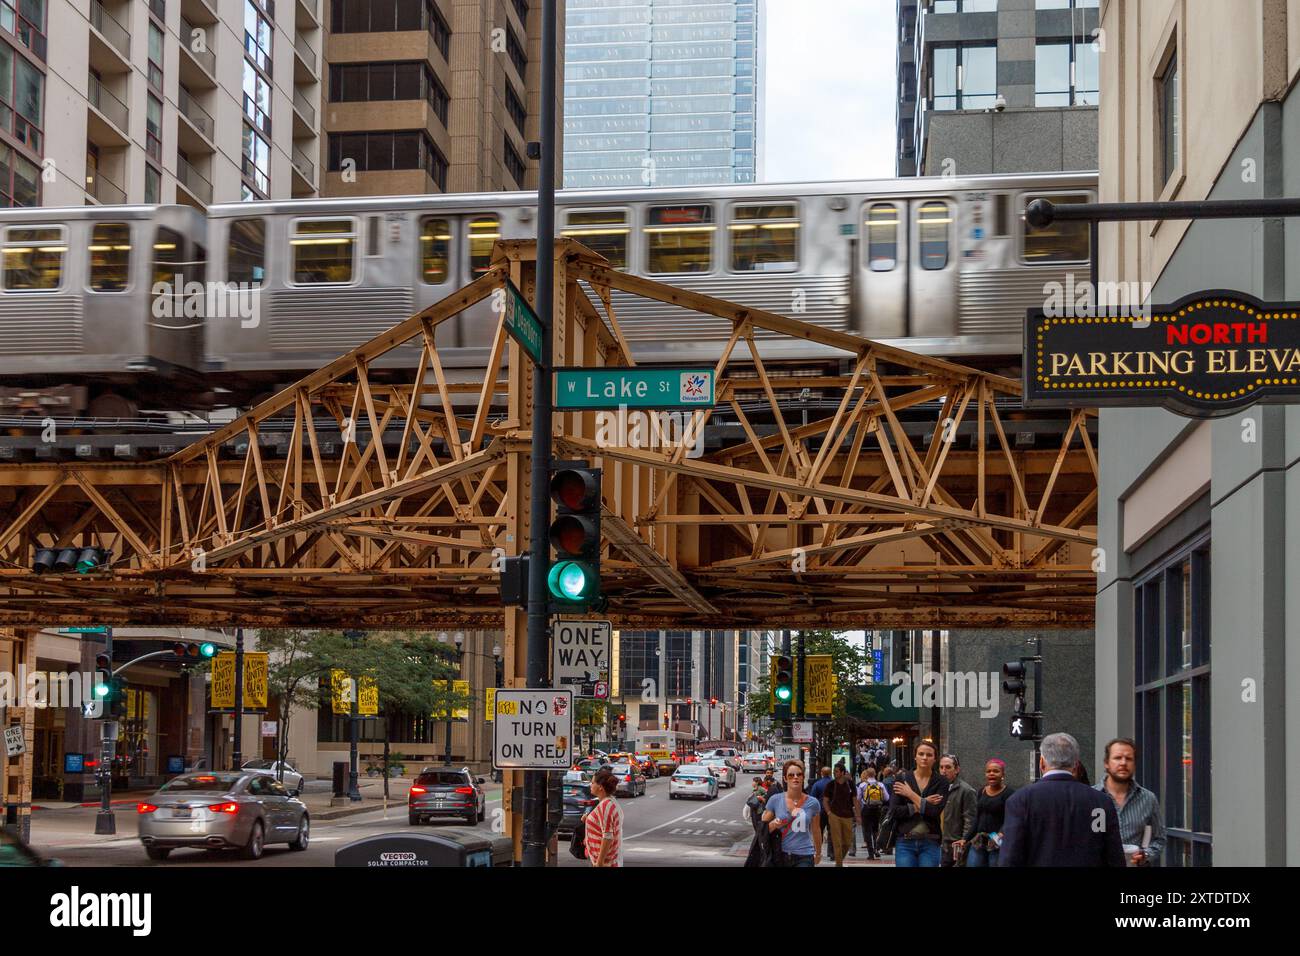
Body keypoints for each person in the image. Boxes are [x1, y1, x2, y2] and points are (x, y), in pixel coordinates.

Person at [999, 732, 1125, 867]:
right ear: (1076, 764)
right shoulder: (1101, 802)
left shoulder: (1020, 800)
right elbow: (1114, 857)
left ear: (1041, 763)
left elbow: (1010, 858)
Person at [1095, 737, 1165, 867]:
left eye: (1128, 759)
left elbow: (1159, 839)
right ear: (1106, 763)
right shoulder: (1090, 797)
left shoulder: (1148, 799)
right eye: (1117, 758)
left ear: (1134, 764)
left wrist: (1145, 855)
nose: (1123, 763)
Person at [887, 741, 948, 867]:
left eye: (929, 755)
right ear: (915, 756)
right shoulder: (902, 778)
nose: (925, 757)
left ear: (935, 758)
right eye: (921, 754)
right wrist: (922, 803)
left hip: (931, 840)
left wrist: (910, 794)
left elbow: (934, 811)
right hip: (905, 840)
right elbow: (895, 811)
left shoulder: (941, 782)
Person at [761, 759, 822, 867]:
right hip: (780, 854)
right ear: (785, 778)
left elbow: (816, 830)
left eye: (799, 774)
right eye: (791, 775)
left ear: (803, 777)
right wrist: (775, 823)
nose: (795, 777)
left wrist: (818, 853)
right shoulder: (775, 800)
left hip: (805, 855)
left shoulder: (813, 803)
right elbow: (763, 829)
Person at [963, 758, 1015, 868]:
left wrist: (1001, 833)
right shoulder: (982, 791)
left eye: (996, 771)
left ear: (1003, 774)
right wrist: (965, 839)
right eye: (988, 771)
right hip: (979, 842)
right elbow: (977, 818)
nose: (991, 773)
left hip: (997, 843)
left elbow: (1011, 818)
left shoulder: (1009, 793)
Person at [939, 754, 977, 867]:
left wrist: (964, 840)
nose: (943, 771)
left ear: (957, 770)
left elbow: (970, 819)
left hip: (955, 843)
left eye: (948, 767)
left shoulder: (967, 791)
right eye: (941, 767)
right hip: (938, 842)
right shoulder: (936, 788)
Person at [582, 767, 624, 867]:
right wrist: (588, 819)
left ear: (600, 787)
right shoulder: (607, 802)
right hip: (599, 859)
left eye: (592, 783)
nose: (590, 785)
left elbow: (608, 836)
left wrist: (600, 862)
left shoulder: (606, 805)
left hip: (603, 862)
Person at [823, 764, 860, 865]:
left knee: (848, 842)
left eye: (837, 771)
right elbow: (825, 800)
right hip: (834, 815)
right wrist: (829, 813)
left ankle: (839, 860)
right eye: (834, 771)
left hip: (848, 816)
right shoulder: (830, 784)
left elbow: (855, 800)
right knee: (837, 841)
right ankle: (839, 864)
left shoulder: (850, 784)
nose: (834, 773)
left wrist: (858, 815)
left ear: (843, 772)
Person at [858, 768, 887, 859]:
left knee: (867, 831)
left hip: (866, 809)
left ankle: (870, 853)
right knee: (876, 830)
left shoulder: (862, 785)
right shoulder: (880, 785)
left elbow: (858, 799)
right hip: (877, 810)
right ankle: (876, 850)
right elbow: (886, 797)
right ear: (875, 774)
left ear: (866, 774)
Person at [809, 766, 834, 860]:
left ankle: (817, 851)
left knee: (819, 830)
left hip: (820, 811)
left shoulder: (817, 784)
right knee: (832, 832)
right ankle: (832, 853)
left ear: (821, 773)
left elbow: (812, 798)